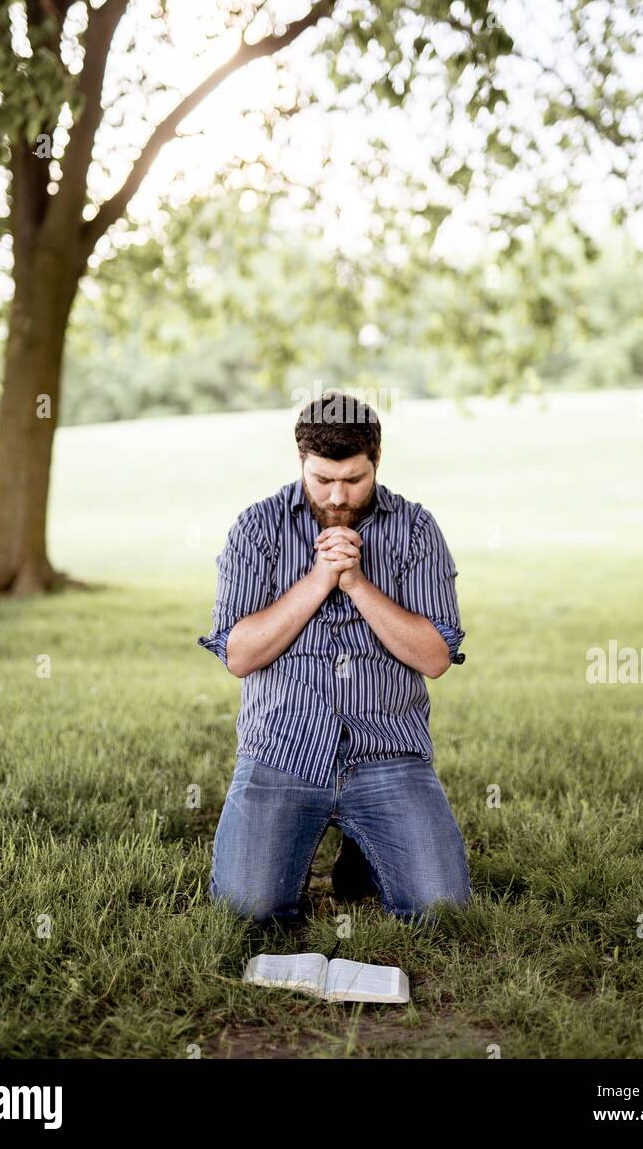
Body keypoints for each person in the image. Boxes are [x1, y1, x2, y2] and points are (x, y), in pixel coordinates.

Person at [197, 389, 472, 927]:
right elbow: (240, 655)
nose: (339, 497)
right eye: (323, 480)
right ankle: (323, 845)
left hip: (388, 751)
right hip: (283, 748)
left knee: (442, 909)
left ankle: (362, 853)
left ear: (377, 462)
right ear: (302, 461)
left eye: (354, 480)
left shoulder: (416, 529)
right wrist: (320, 579)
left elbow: (435, 657)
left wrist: (357, 583)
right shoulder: (258, 528)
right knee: (247, 911)